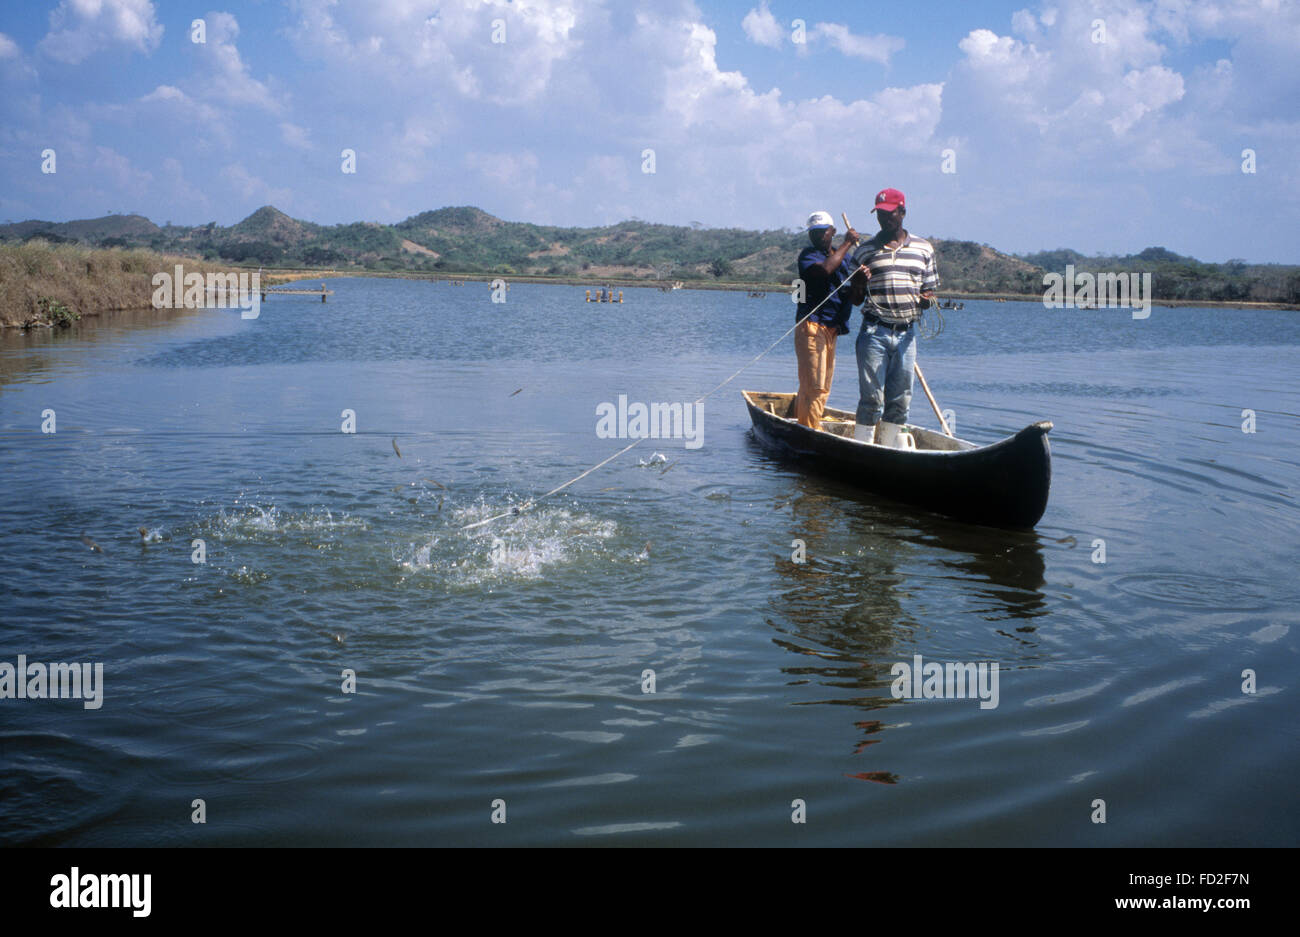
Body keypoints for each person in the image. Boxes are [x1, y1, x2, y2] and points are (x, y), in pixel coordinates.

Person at [851, 188, 939, 444]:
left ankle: (889, 448)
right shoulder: (864, 251)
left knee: (900, 400)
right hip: (873, 333)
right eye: (879, 214)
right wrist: (857, 283)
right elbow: (854, 299)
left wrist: (925, 301)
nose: (883, 219)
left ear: (902, 212)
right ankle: (862, 450)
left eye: (889, 214)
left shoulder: (923, 249)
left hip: (906, 335)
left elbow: (929, 293)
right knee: (871, 399)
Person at [794, 210, 860, 430]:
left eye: (823, 232)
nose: (818, 236)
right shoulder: (808, 256)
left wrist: (862, 279)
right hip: (812, 325)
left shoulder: (847, 260)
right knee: (815, 386)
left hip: (832, 328)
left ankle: (807, 424)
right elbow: (824, 271)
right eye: (814, 232)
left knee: (823, 386)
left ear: (832, 232)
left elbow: (854, 296)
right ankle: (811, 431)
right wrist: (847, 243)